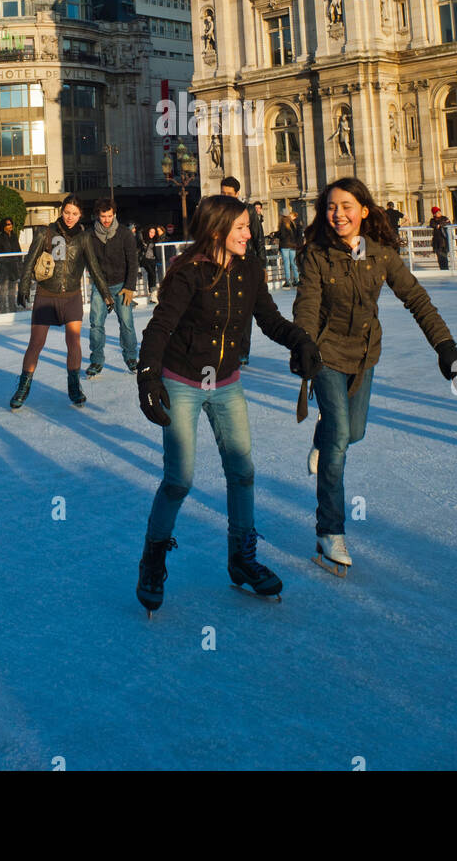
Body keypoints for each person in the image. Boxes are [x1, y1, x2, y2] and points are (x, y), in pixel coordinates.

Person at [134, 194, 322, 614]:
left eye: (248, 226)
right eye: (240, 227)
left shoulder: (250, 269)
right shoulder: (188, 273)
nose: (248, 233)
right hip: (181, 381)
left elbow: (270, 320)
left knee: (242, 472)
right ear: (217, 230)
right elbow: (160, 327)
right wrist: (148, 376)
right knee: (179, 480)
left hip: (226, 383)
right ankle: (153, 560)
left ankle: (242, 558)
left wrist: (301, 341)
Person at [294, 178, 457, 575]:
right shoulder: (317, 256)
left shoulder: (382, 256)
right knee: (338, 444)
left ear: (364, 210)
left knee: (353, 433)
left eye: (347, 206)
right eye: (332, 207)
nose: (339, 214)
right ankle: (329, 531)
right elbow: (307, 303)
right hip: (326, 355)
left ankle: (324, 437)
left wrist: (446, 347)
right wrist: (302, 342)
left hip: (364, 356)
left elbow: (417, 300)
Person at [9, 195, 113, 410]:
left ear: (80, 215)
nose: (70, 217)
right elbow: (29, 261)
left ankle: (74, 387)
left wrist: (106, 294)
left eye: (75, 214)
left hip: (72, 296)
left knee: (73, 341)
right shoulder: (45, 232)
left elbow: (94, 267)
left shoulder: (84, 238)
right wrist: (24, 285)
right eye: (67, 212)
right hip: (46, 295)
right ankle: (23, 387)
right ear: (61, 211)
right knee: (36, 343)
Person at [86, 198, 139, 376]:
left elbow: (133, 262)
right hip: (100, 287)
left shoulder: (125, 234)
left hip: (122, 286)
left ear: (114, 214)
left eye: (110, 216)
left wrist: (130, 287)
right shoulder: (90, 236)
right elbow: (88, 262)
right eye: (103, 216)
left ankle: (132, 357)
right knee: (96, 324)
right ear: (97, 216)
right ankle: (96, 360)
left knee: (127, 323)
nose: (107, 220)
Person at [220, 176, 266, 364]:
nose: (225, 196)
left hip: (246, 264)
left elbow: (258, 238)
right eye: (222, 193)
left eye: (229, 194)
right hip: (225, 265)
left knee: (244, 310)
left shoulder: (248, 212)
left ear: (237, 194)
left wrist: (262, 266)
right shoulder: (219, 212)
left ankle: (242, 351)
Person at [0, 216, 23, 313]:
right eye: (8, 224)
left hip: (13, 267)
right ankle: (3, 311)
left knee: (12, 290)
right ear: (3, 226)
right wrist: (6, 260)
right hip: (4, 268)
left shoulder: (14, 237)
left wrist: (18, 261)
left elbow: (18, 251)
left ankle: (13, 310)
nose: (10, 226)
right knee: (3, 290)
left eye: (11, 224)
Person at [278, 210, 303, 286]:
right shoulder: (293, 223)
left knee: (286, 263)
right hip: (292, 245)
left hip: (285, 245)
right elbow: (296, 234)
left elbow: (282, 235)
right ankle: (297, 280)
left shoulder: (282, 223)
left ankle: (288, 281)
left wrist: (276, 235)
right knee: (293, 263)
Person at [140, 226, 160, 299]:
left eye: (154, 232)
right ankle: (153, 292)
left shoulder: (155, 240)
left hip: (152, 259)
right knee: (152, 273)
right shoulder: (143, 240)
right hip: (145, 259)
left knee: (152, 274)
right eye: (151, 232)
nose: (152, 234)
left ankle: (152, 292)